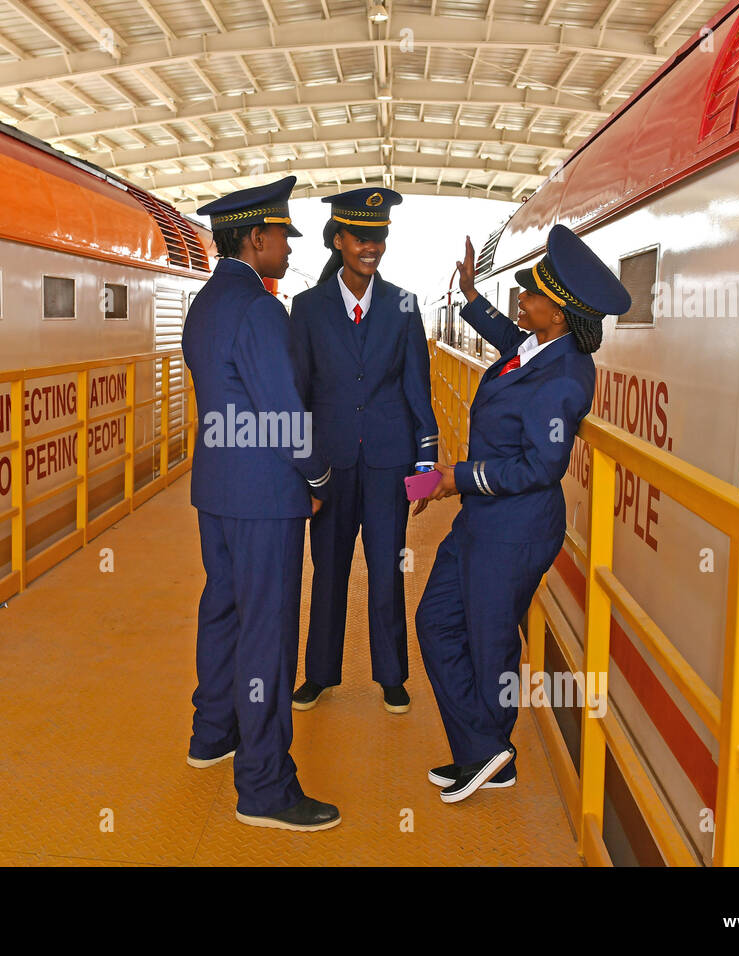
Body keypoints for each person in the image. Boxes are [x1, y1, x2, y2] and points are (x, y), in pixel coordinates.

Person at [414, 223, 631, 803]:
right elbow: (506, 332)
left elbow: (540, 467)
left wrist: (456, 478)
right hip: (485, 520)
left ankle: (488, 752)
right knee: (436, 622)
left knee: (490, 644)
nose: (522, 301)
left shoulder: (564, 378)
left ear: (558, 314)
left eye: (531, 295)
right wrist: (469, 295)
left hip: (516, 526)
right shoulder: (535, 346)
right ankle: (486, 751)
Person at [182, 175, 341, 832]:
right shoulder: (258, 309)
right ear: (256, 237)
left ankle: (212, 733)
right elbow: (282, 410)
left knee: (222, 612)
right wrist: (319, 476)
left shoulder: (206, 304)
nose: (286, 245)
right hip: (264, 496)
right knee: (267, 634)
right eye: (280, 234)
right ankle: (266, 786)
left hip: (217, 489)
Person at [288, 187, 439, 715]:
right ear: (338, 240)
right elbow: (298, 393)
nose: (370, 247)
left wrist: (424, 465)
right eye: (360, 237)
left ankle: (391, 675)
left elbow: (418, 388)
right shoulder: (307, 309)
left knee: (386, 569)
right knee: (327, 570)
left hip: (388, 463)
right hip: (330, 465)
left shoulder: (403, 305)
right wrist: (302, 471)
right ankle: (320, 673)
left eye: (378, 237)